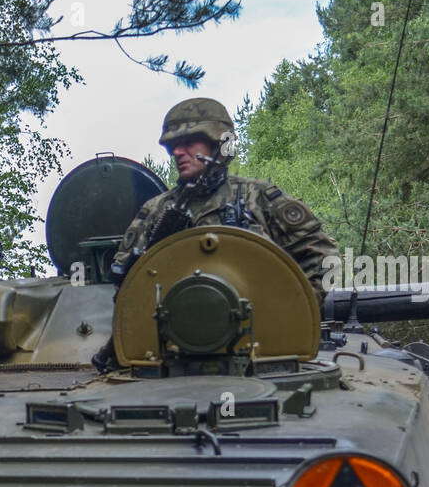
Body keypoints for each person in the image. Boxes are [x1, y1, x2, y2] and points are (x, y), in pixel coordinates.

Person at [92, 98, 339, 371]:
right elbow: (129, 287)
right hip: (172, 361)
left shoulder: (259, 199)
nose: (178, 152)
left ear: (221, 145)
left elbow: (324, 258)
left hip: (258, 355)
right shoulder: (156, 211)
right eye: (173, 146)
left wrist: (293, 314)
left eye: (189, 143)